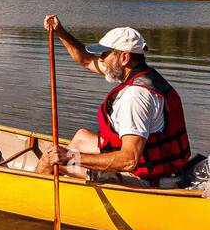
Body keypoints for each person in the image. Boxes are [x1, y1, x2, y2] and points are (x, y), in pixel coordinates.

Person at [35, 15, 190, 186]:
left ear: (124, 58)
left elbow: (129, 160)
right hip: (160, 163)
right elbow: (86, 60)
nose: (101, 58)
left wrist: (69, 157)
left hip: (144, 179)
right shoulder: (143, 75)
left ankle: (33, 194)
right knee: (81, 136)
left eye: (105, 53)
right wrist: (60, 32)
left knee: (49, 160)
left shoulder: (135, 97)